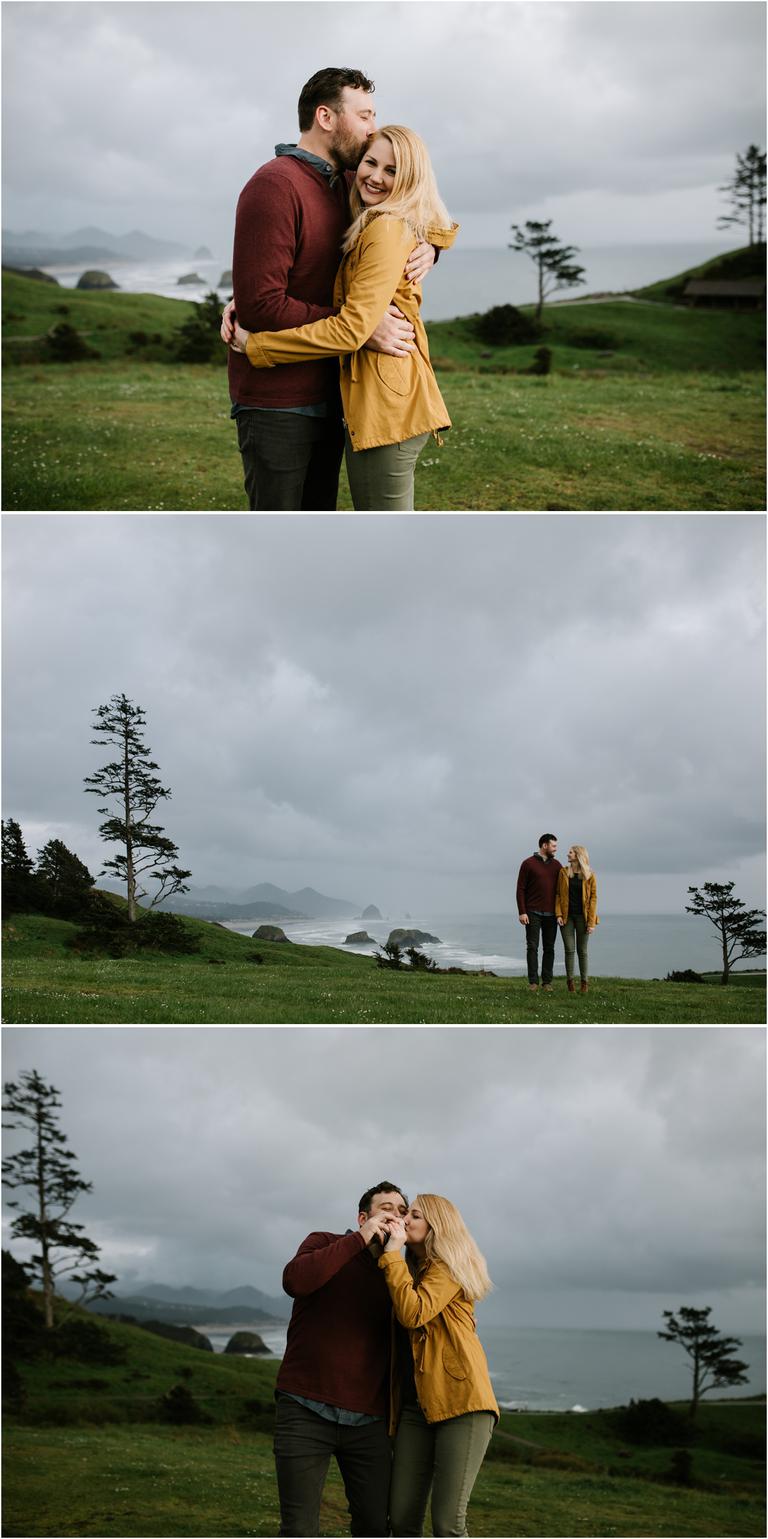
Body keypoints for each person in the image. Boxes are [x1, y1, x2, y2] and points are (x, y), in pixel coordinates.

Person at [225, 67, 438, 511]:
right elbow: (261, 306)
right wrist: (362, 327)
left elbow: (415, 200)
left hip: (334, 392)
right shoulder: (274, 186)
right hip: (279, 403)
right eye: (364, 115)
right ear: (326, 117)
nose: (372, 128)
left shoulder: (349, 184)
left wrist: (432, 247)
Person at [272, 1180, 407, 1537]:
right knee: (299, 1527)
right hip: (304, 1409)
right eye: (386, 1208)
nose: (395, 1216)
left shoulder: (398, 1275)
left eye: (402, 1212)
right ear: (363, 1217)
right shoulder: (324, 1242)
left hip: (369, 1421)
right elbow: (296, 1281)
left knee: (375, 1526)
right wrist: (361, 1238)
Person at [379, 1194, 499, 1538]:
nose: (406, 1220)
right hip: (417, 1408)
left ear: (436, 1225)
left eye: (415, 1215)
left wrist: (390, 1255)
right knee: (401, 1521)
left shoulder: (446, 1267)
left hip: (463, 1403)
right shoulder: (412, 1271)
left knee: (447, 1524)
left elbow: (413, 1313)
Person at [516, 833, 563, 993]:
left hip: (551, 914)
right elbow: (520, 889)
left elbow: (562, 890)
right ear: (544, 845)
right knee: (532, 947)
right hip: (532, 912)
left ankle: (547, 982)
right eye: (553, 846)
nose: (556, 849)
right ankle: (533, 982)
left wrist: (561, 912)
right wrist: (522, 912)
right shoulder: (527, 864)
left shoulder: (557, 865)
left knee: (549, 948)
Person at [556, 843, 599, 994]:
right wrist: (559, 914)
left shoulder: (590, 875)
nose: (568, 854)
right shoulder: (563, 872)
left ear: (578, 855)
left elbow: (593, 898)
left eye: (571, 853)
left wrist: (591, 922)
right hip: (567, 918)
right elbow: (558, 895)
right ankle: (570, 984)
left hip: (583, 917)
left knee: (582, 951)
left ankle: (584, 983)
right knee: (569, 950)